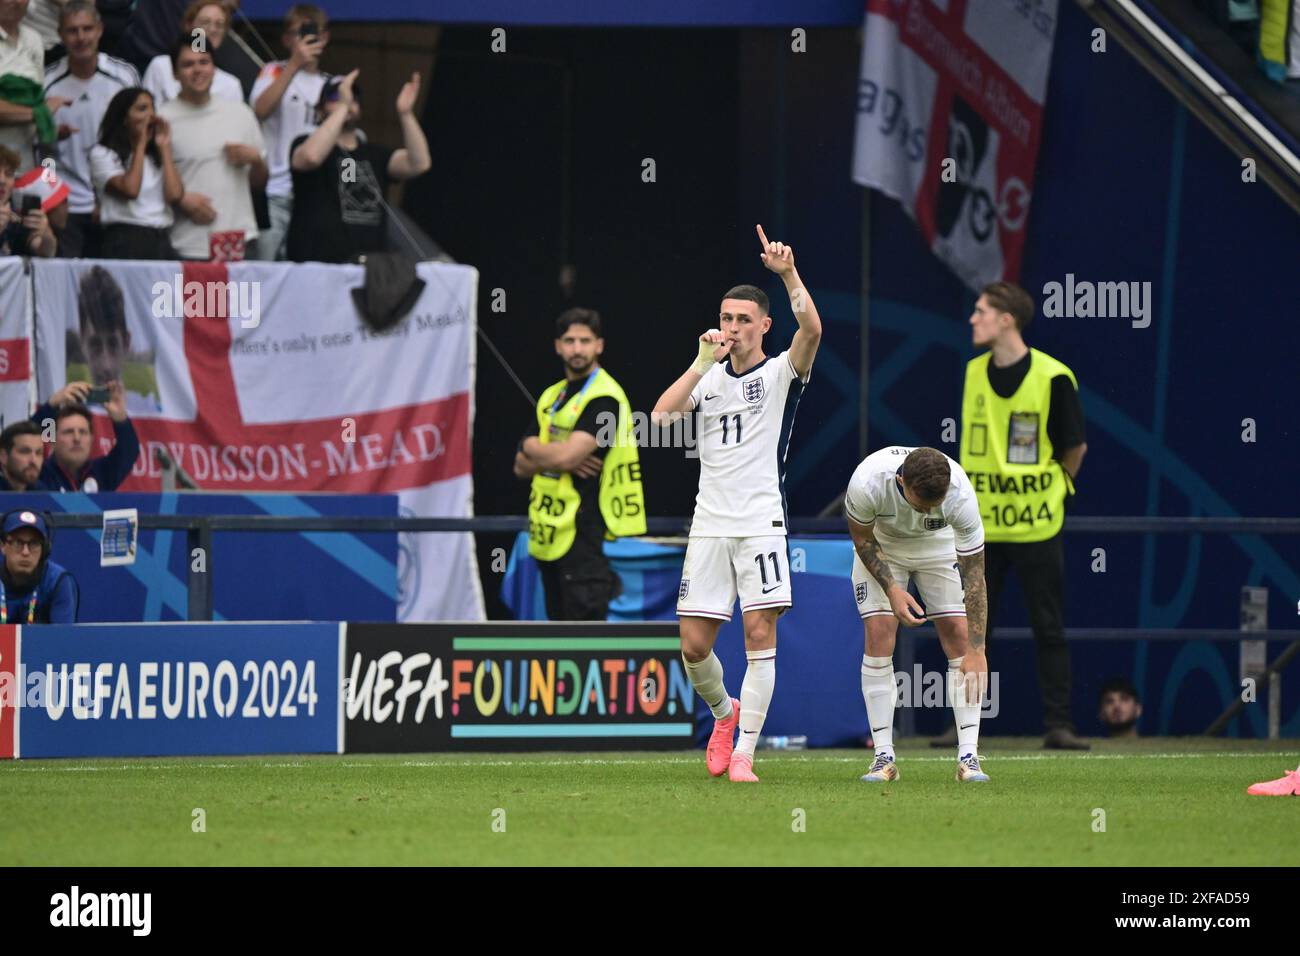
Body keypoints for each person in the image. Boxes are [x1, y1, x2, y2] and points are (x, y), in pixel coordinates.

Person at [651, 224, 822, 783]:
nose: (732, 328)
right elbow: (660, 418)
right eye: (726, 318)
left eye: (743, 319)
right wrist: (701, 362)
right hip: (709, 523)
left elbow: (813, 329)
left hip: (759, 521)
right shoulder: (709, 378)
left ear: (764, 326)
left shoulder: (780, 373)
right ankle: (726, 717)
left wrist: (788, 273)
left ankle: (746, 752)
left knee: (757, 635)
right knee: (693, 646)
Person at [958, 280, 1091, 751]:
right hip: (981, 529)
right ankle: (964, 729)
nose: (973, 319)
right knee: (973, 630)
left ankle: (1058, 725)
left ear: (1006, 319)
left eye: (981, 311)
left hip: (1036, 524)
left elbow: (1075, 445)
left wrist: (1061, 488)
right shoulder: (974, 372)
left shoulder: (1054, 377)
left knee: (1048, 626)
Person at [845, 445, 991, 783]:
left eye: (933, 505)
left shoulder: (960, 496)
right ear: (900, 481)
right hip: (883, 546)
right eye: (919, 503)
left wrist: (978, 648)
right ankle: (883, 757)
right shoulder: (867, 482)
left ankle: (969, 757)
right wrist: (893, 591)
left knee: (959, 636)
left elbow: (974, 577)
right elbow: (863, 540)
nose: (926, 509)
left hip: (938, 546)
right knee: (880, 634)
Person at [513, 308, 645, 621]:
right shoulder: (552, 396)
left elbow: (564, 457)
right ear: (558, 345)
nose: (577, 348)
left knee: (585, 638)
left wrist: (541, 450)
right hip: (549, 531)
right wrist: (552, 454)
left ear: (599, 345)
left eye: (585, 341)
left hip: (588, 532)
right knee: (557, 635)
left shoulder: (606, 398)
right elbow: (519, 465)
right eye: (569, 341)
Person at [286, 68, 430, 263]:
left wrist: (405, 114)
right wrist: (343, 108)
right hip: (315, 266)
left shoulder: (375, 154)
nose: (348, 101)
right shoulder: (304, 143)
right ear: (320, 111)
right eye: (336, 97)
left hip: (367, 269)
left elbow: (419, 163)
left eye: (353, 98)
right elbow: (310, 157)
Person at [43, 0, 138, 258]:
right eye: (72, 31)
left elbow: (138, 139)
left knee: (114, 290)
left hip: (115, 203)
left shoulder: (124, 77)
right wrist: (50, 137)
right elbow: (40, 154)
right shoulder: (48, 82)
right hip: (67, 206)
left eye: (87, 29)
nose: (81, 37)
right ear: (61, 35)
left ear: (100, 30)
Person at [159, 35, 265, 260]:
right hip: (189, 246)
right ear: (174, 74)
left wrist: (255, 160)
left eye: (204, 62)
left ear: (214, 68)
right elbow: (150, 183)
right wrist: (181, 199)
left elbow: (260, 183)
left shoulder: (241, 113)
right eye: (188, 64)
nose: (197, 70)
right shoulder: (162, 119)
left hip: (240, 242)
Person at [249, 3, 330, 261]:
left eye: (313, 32)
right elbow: (259, 110)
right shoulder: (273, 70)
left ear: (325, 37)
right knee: (263, 272)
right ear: (286, 39)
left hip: (313, 197)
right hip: (275, 191)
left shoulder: (331, 84)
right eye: (300, 32)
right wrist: (294, 65)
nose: (307, 39)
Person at [90, 86, 182, 258]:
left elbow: (175, 195)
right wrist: (139, 145)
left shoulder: (157, 156)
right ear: (124, 117)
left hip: (161, 237)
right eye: (142, 109)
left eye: (152, 108)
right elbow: (130, 190)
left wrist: (165, 148)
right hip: (126, 239)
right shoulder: (103, 153)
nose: (151, 116)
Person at [33, 382, 139, 492]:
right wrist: (51, 405)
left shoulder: (102, 472)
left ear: (91, 439)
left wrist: (120, 419)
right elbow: (24, 439)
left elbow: (128, 451)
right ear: (53, 440)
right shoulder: (40, 473)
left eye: (83, 432)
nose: (77, 438)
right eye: (68, 432)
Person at [141, 0, 241, 106]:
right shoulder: (161, 66)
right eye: (205, 22)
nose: (212, 29)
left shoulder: (231, 85)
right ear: (189, 25)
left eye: (219, 24)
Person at [0, 0, 62, 170]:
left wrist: (48, 125)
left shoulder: (33, 39)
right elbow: (38, 109)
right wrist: (41, 113)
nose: (16, 2)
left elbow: (36, 98)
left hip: (25, 161)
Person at [0, 509, 77, 622]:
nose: (25, 552)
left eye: (34, 543)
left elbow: (63, 638)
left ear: (44, 549)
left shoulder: (57, 582)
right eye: (18, 543)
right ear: (3, 546)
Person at [0, 142, 55, 254]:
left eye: (9, 174)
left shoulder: (17, 216)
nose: (2, 180)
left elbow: (46, 254)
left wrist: (45, 232)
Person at [0, 421, 48, 490]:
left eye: (38, 453)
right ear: (3, 457)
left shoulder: (41, 491)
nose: (33, 460)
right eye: (25, 452)